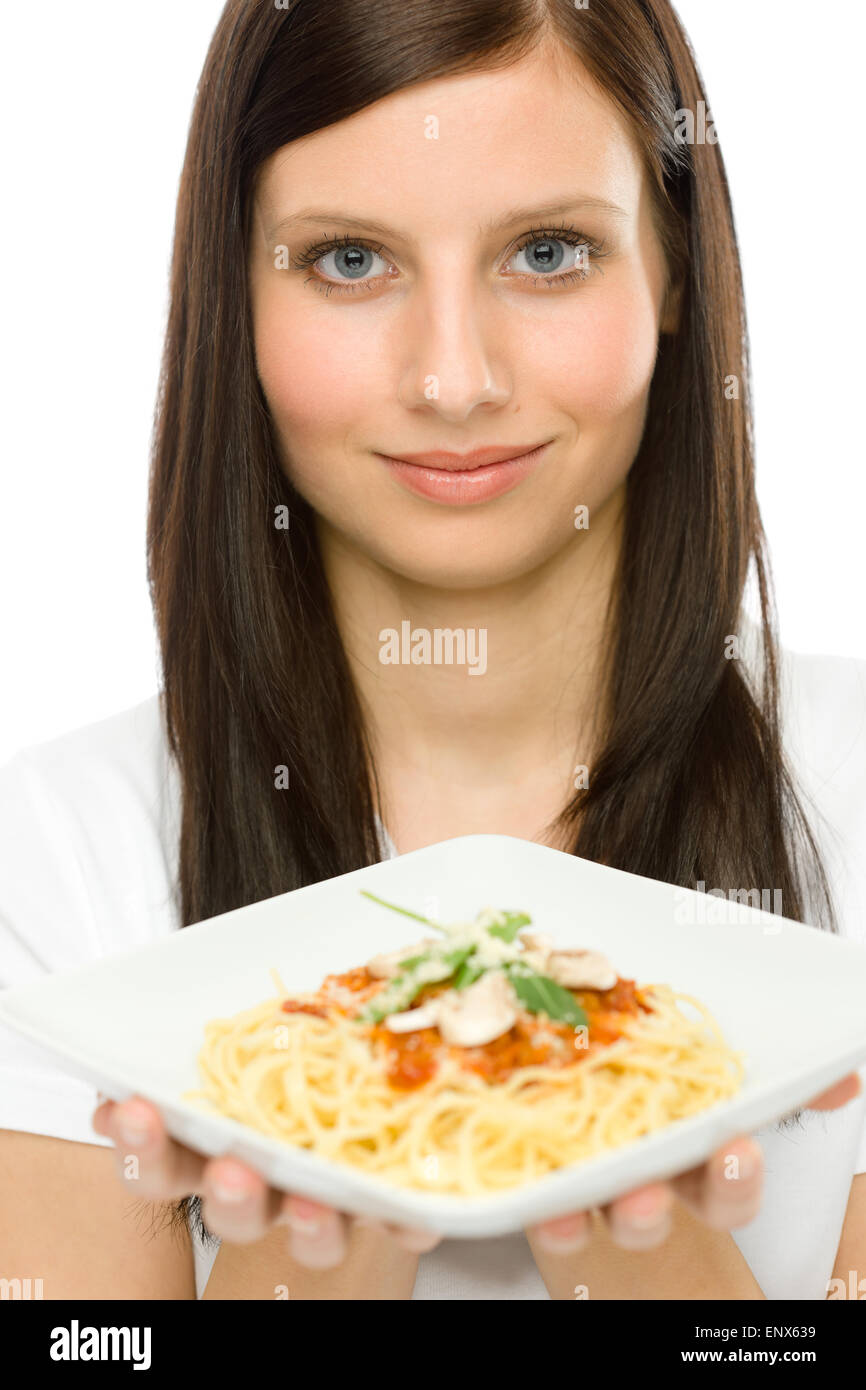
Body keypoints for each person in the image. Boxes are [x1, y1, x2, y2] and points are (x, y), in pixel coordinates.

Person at [1, 0, 864, 1300]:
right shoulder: (53, 867)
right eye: (349, 261)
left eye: (549, 250)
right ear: (233, 293)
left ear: (675, 272)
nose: (453, 379)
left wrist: (659, 1256)